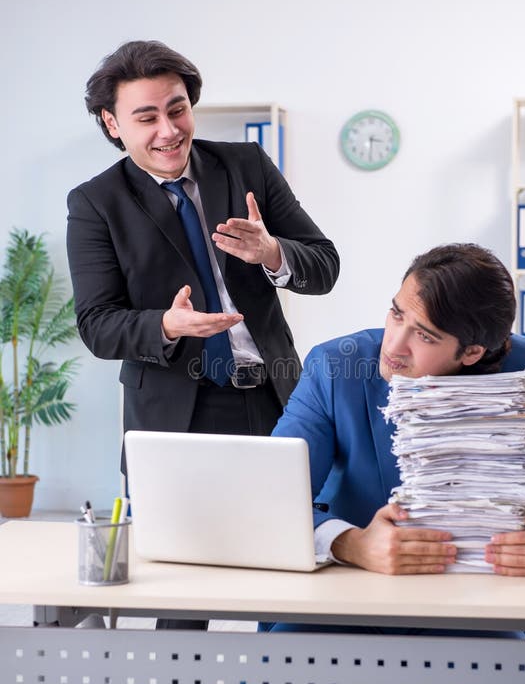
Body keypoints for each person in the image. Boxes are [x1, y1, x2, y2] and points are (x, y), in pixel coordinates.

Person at [268, 243, 525, 634]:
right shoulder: (336, 366)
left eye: (424, 336)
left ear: (471, 352)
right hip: (348, 597)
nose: (394, 345)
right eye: (396, 314)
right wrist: (351, 544)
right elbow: (272, 498)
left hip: (484, 606)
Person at [67, 40, 339, 453]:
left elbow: (325, 266)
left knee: (289, 499)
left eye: (177, 110)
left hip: (274, 399)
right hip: (172, 416)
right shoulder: (96, 203)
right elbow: (97, 325)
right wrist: (166, 325)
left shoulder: (247, 165)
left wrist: (272, 252)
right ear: (112, 123)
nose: (169, 131)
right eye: (147, 118)